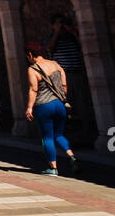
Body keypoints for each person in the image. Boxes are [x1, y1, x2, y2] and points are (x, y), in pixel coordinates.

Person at [26, 41, 79, 176]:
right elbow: (64, 84)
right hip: (59, 104)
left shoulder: (33, 69)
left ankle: (53, 167)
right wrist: (62, 98)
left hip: (44, 106)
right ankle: (72, 156)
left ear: (30, 54)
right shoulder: (55, 64)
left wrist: (29, 108)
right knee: (59, 134)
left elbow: (33, 89)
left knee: (47, 137)